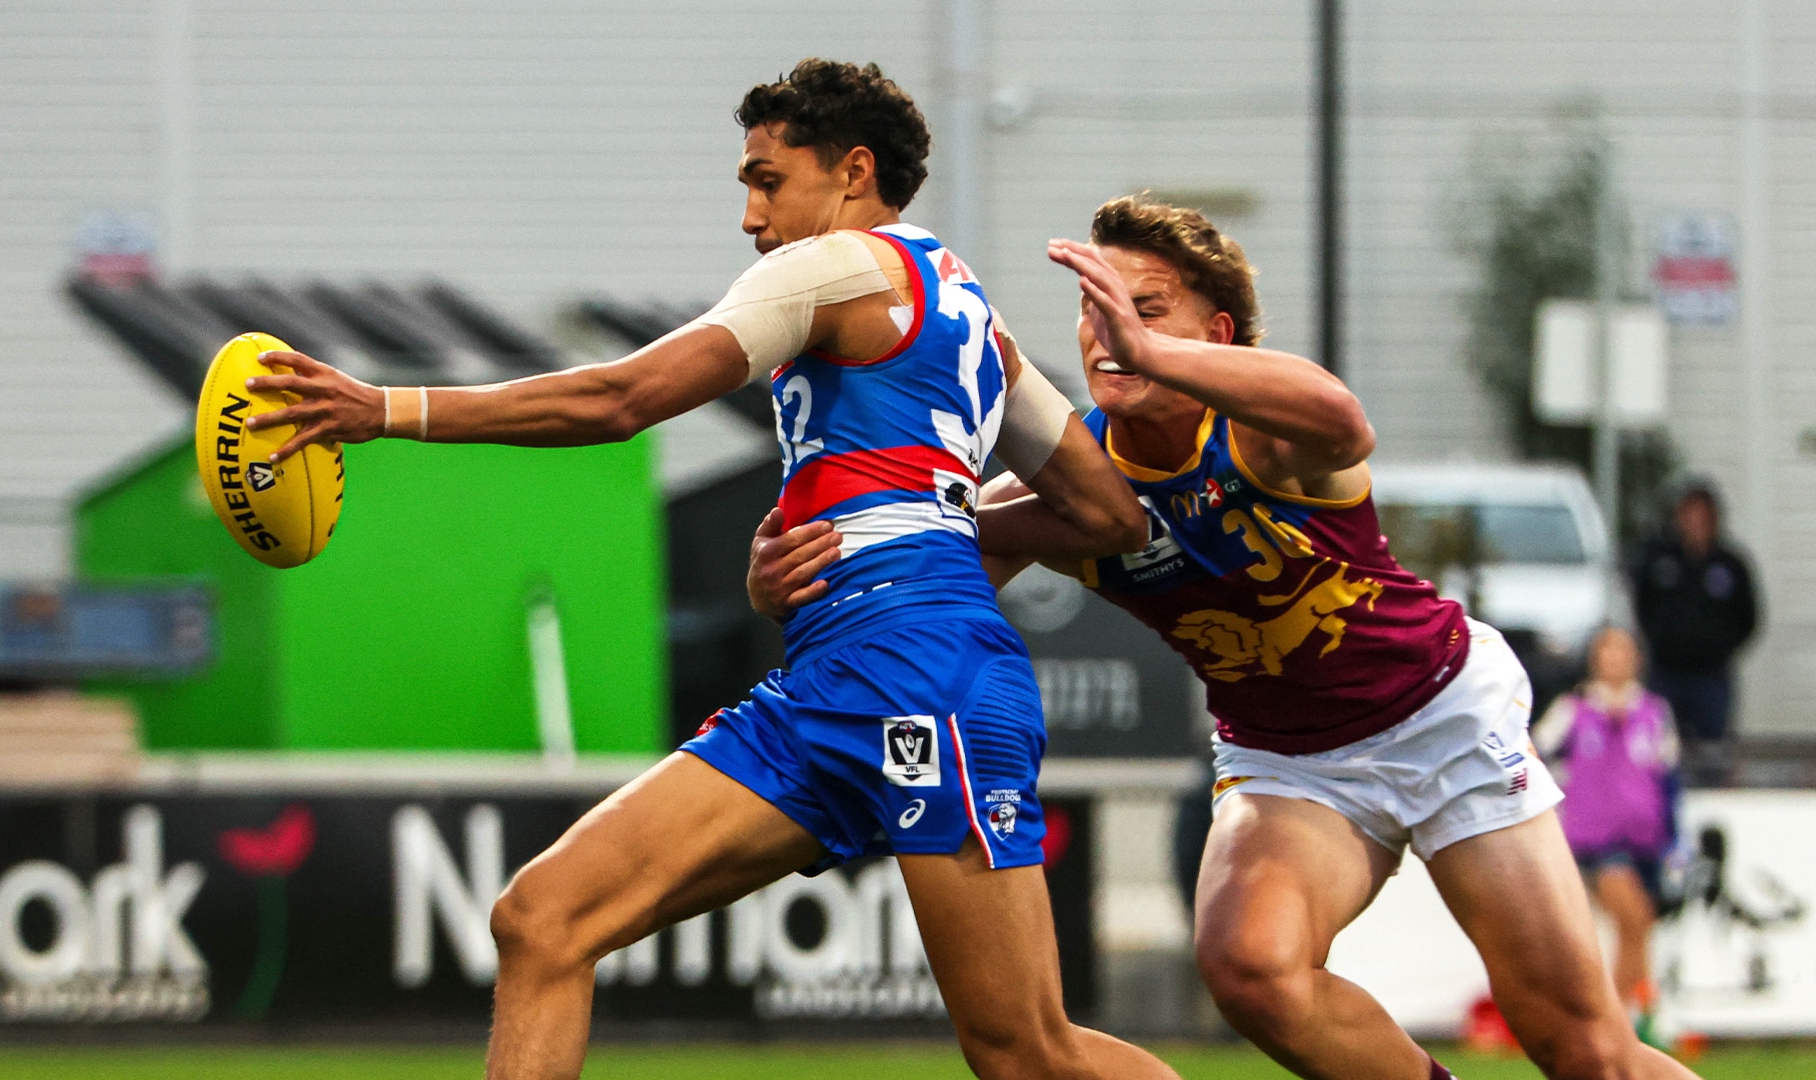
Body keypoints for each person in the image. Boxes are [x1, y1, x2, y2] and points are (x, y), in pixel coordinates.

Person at [242, 60, 1179, 1080]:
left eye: (767, 179)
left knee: (1023, 1052)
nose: (749, 214)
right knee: (543, 920)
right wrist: (910, 528)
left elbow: (621, 399)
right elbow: (1108, 511)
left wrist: (386, 409)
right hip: (836, 676)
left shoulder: (832, 269)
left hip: (921, 675)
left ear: (852, 170)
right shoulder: (971, 317)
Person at [750, 195, 1704, 1080]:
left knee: (1580, 1046)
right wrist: (784, 584)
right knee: (1249, 967)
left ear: (1214, 335)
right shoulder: (1073, 482)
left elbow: (1345, 419)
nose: (1106, 331)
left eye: (1145, 306)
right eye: (1095, 309)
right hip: (1290, 758)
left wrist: (1155, 355)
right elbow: (917, 581)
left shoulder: (1261, 431)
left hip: (1438, 714)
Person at [1534, 626, 1681, 1042]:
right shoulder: (1573, 710)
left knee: (1640, 925)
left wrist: (1674, 839)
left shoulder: (1653, 711)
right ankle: (1614, 1023)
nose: (1616, 659)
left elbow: (1668, 779)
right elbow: (1534, 755)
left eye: (1624, 650)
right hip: (1594, 840)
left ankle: (1638, 1017)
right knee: (1633, 918)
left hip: (1644, 840)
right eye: (1608, 651)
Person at [1631, 480, 1760, 786]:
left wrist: (1722, 647)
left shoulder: (1730, 564)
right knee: (1659, 746)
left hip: (1710, 676)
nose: (1696, 523)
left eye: (1703, 516)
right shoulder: (1660, 559)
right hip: (1665, 671)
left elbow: (1749, 617)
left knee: (1712, 749)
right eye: (1690, 515)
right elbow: (1642, 605)